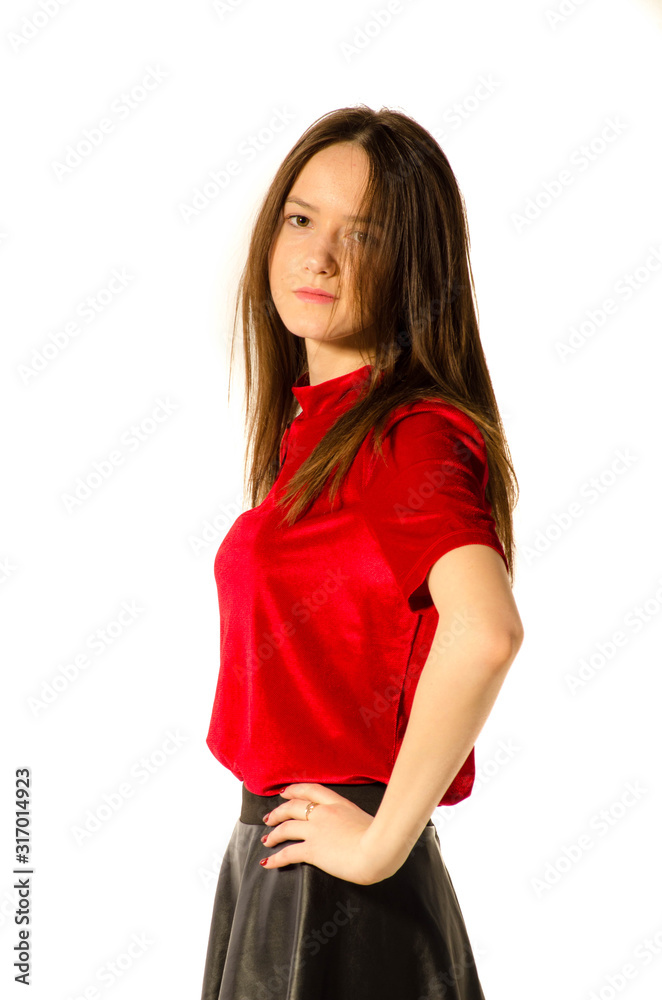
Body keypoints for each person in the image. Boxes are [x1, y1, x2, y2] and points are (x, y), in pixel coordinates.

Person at [200, 104, 524, 1000]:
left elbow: (486, 628)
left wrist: (380, 844)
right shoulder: (317, 436)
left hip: (337, 881)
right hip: (281, 863)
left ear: (413, 267)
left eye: (364, 234)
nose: (319, 255)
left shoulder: (408, 437)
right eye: (302, 220)